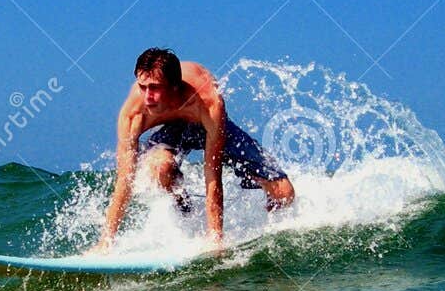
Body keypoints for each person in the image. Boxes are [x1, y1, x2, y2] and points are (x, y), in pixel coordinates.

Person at [93, 48, 294, 251]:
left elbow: (212, 173)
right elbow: (124, 181)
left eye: (154, 88)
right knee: (159, 168)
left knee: (284, 193)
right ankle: (184, 207)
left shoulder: (208, 102)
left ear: (173, 86)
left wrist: (216, 239)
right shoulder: (133, 114)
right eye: (142, 87)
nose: (147, 97)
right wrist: (105, 243)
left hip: (206, 124)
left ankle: (264, 227)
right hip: (172, 130)